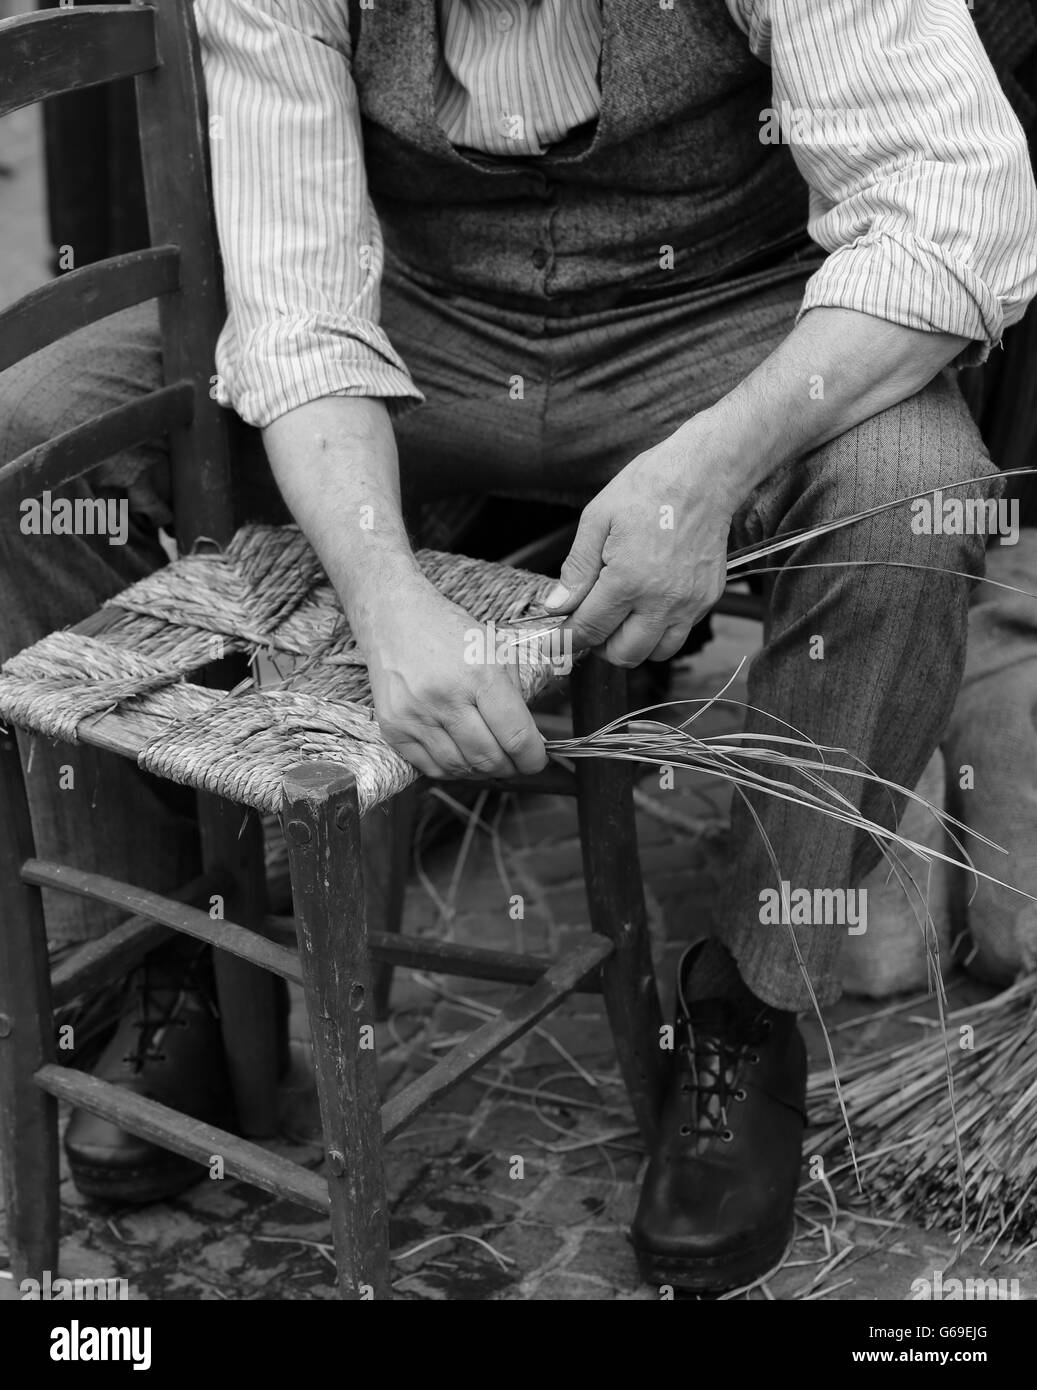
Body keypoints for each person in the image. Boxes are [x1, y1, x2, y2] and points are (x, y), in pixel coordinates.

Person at [1, 0, 1035, 1291]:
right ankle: (166, 966)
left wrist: (709, 471)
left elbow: (956, 206)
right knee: (32, 434)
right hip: (416, 322)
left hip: (718, 326)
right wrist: (386, 601)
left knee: (911, 491)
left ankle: (742, 1004)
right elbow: (302, 307)